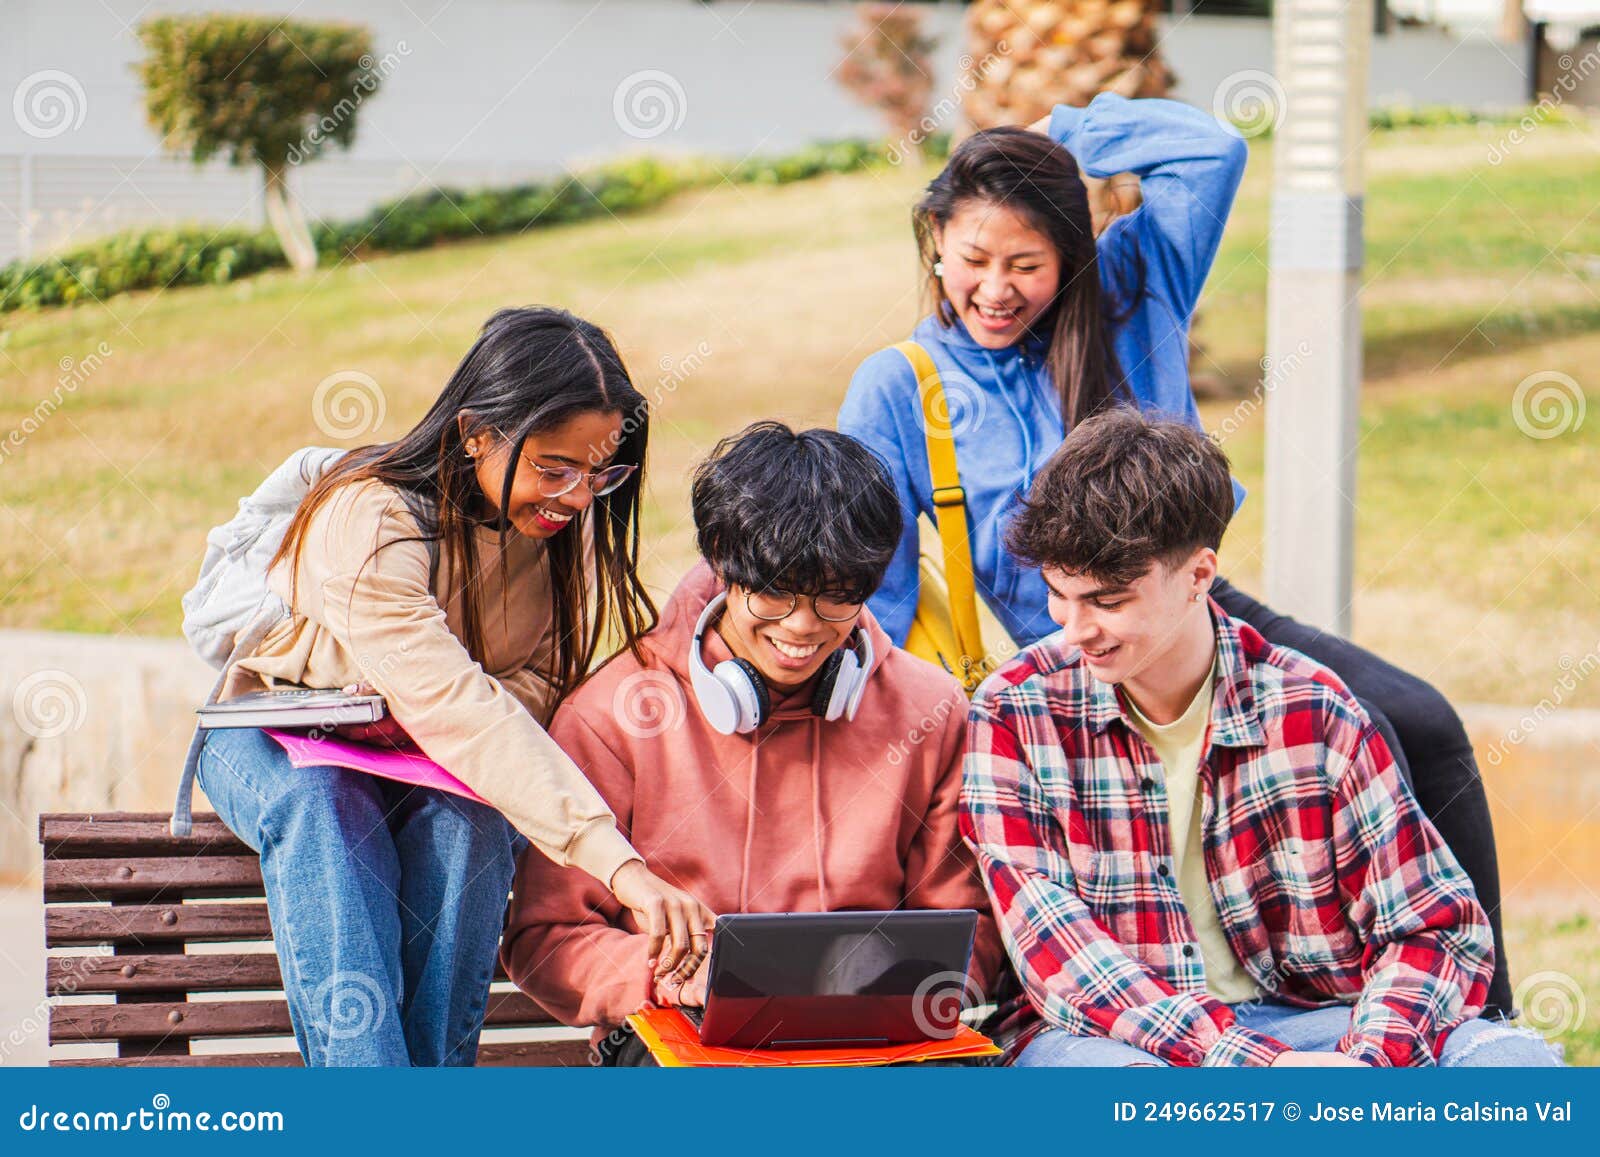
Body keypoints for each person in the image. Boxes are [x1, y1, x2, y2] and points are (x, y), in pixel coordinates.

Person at [838, 91, 1511, 1013]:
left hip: (1199, 612)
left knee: (1419, 722)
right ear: (935, 246)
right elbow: (869, 587)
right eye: (974, 260)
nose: (996, 289)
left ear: (1070, 256)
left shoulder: (1131, 289)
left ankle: (1474, 1018)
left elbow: (1211, 151)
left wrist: (1058, 134)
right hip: (1079, 647)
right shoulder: (899, 387)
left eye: (1027, 264)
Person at [961, 409, 1558, 1067]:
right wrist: (1254, 1066)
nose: (1073, 629)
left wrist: (1369, 1060)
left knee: (1513, 1067)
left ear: (1199, 575)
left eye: (1107, 601)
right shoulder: (1014, 713)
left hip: (1317, 1025)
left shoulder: (1313, 708)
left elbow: (1433, 926)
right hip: (1108, 1037)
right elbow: (1057, 951)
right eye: (1057, 594)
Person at [194, 307, 711, 1066]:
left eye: (599, 474)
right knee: (326, 806)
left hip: (417, 757)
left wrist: (459, 715)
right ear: (475, 434)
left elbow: (537, 688)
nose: (576, 497)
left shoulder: (556, 532)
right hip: (274, 734)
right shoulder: (369, 516)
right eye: (553, 468)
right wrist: (621, 866)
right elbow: (458, 705)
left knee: (472, 821)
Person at [502, 422, 1003, 1065]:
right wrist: (676, 978)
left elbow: (965, 927)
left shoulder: (929, 709)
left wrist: (899, 987)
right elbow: (547, 940)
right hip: (683, 1041)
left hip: (879, 1048)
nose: (802, 627)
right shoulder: (614, 714)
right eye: (774, 593)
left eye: (835, 600)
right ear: (722, 561)